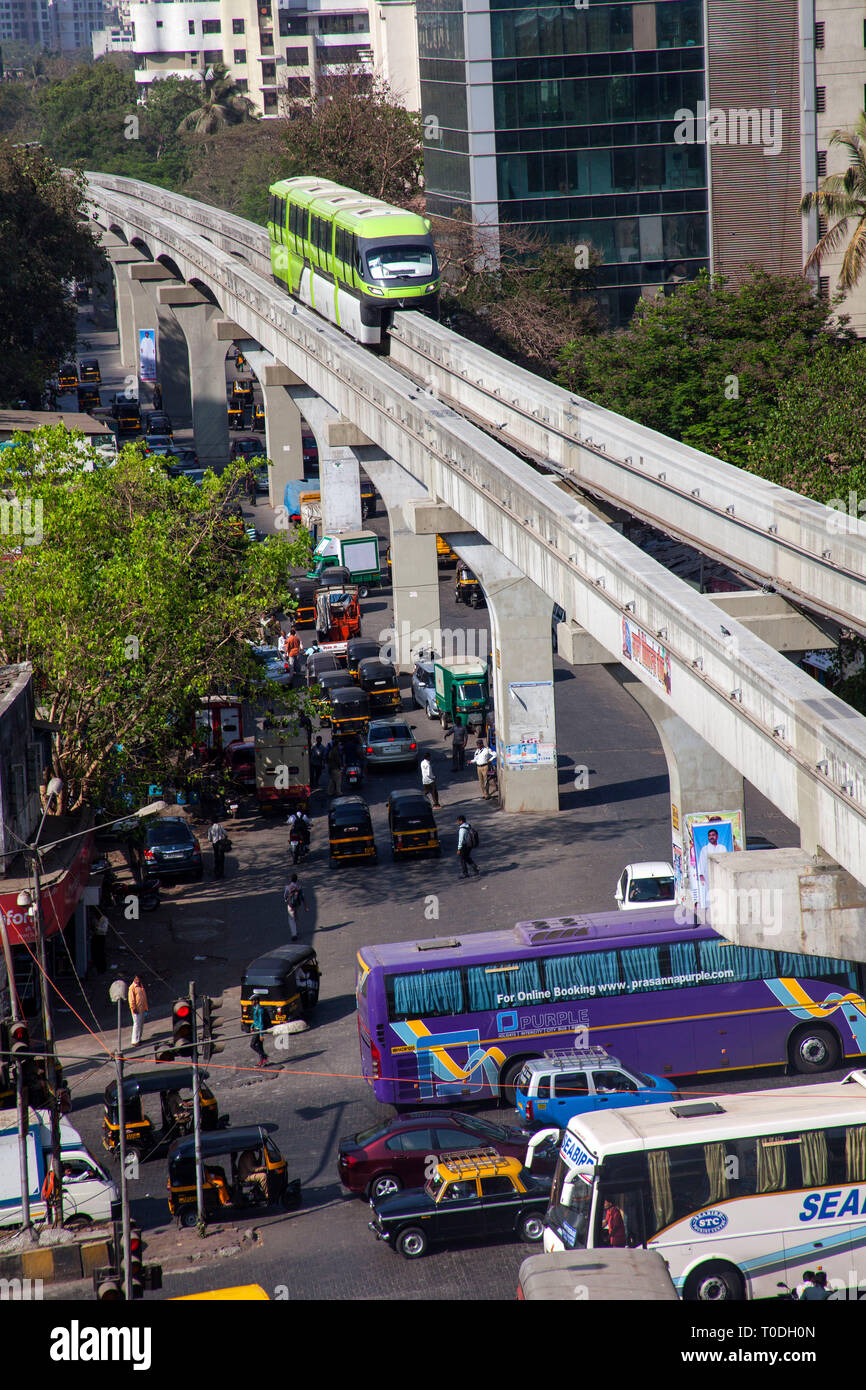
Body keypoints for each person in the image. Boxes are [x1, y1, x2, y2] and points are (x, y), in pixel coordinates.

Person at [283, 873, 307, 940]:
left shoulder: (287, 887)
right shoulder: (299, 887)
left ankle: (294, 934)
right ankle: (296, 930)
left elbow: (285, 896)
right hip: (297, 904)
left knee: (291, 919)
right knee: (296, 916)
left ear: (290, 879)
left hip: (290, 905)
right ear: (296, 880)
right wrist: (306, 906)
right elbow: (302, 897)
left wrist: (287, 902)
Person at [128, 975, 148, 1047]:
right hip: (136, 1009)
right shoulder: (132, 988)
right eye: (136, 979)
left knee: (141, 1024)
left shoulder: (141, 986)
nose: (138, 980)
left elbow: (144, 997)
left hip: (142, 1008)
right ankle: (134, 1041)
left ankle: (139, 1038)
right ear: (134, 979)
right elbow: (131, 999)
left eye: (139, 979)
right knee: (136, 1024)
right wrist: (133, 1008)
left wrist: (146, 1007)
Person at [250, 1000, 268, 1069]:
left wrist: (261, 1035)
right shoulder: (255, 1008)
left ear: (256, 1001)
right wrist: (252, 1026)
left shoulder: (260, 1010)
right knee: (260, 1046)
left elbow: (261, 1023)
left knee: (252, 1044)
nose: (251, 1002)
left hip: (258, 1030)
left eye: (252, 1001)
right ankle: (263, 1060)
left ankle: (264, 1056)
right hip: (255, 1028)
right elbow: (255, 1020)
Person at [91, 910, 109, 974]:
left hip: (101, 937)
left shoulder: (104, 919)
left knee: (101, 952)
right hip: (96, 936)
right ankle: (99, 967)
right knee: (96, 952)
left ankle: (102, 968)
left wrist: (96, 928)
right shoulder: (96, 919)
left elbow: (103, 930)